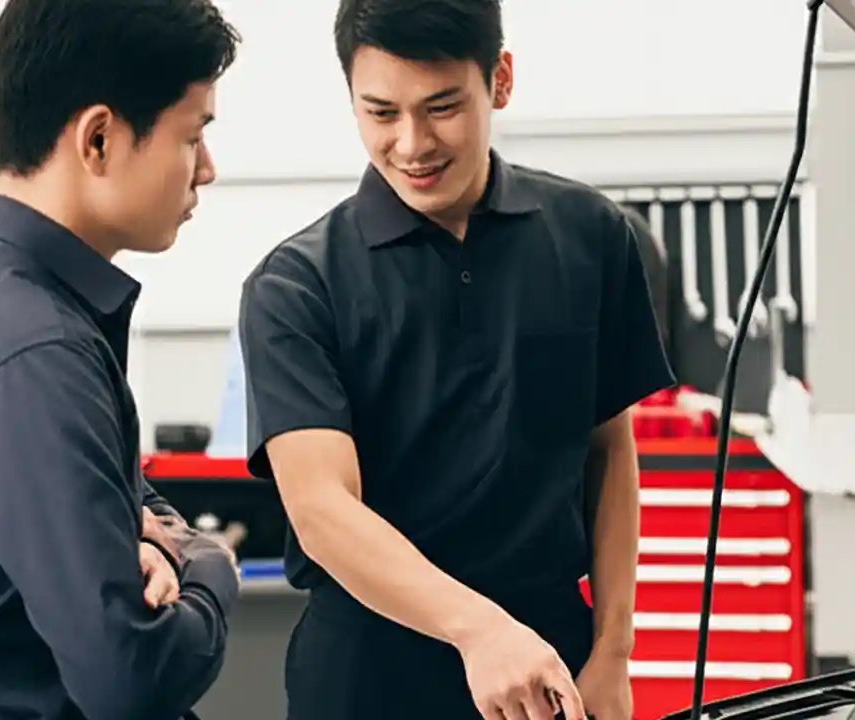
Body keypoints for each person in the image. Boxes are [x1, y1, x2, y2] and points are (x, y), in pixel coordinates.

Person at [237, 0, 676, 718]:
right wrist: (481, 631)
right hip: (367, 677)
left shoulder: (592, 236)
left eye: (442, 107)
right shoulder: (296, 284)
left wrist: (612, 652)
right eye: (380, 113)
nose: (412, 143)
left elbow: (608, 449)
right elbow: (322, 509)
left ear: (499, 80)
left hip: (547, 663)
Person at [0, 2, 242, 719]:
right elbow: (130, 677)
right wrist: (214, 569)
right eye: (193, 136)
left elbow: (118, 502)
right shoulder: (30, 353)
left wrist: (155, 538)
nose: (207, 171)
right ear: (98, 139)